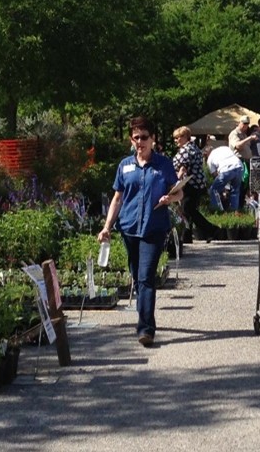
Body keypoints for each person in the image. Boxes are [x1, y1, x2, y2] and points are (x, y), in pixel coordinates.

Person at [99, 117, 182, 348]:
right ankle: (143, 315)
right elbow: (118, 198)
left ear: (152, 139)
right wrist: (107, 227)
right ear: (131, 139)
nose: (140, 142)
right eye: (136, 137)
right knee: (136, 276)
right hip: (129, 228)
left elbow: (179, 193)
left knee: (146, 277)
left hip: (154, 228)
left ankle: (146, 328)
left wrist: (170, 197)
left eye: (144, 137)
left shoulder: (163, 164)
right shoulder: (125, 165)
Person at [171, 126, 213, 242]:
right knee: (188, 210)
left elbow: (180, 166)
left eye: (177, 138)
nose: (176, 141)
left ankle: (210, 229)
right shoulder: (194, 147)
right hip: (197, 183)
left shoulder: (186, 150)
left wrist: (175, 179)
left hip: (190, 184)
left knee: (188, 209)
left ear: (185, 137)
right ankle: (187, 237)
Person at [206, 145, 243, 212]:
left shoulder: (209, 159)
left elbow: (215, 175)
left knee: (213, 190)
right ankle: (234, 211)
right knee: (235, 190)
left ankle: (217, 210)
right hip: (239, 166)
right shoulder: (224, 148)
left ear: (207, 154)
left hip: (226, 169)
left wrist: (223, 188)